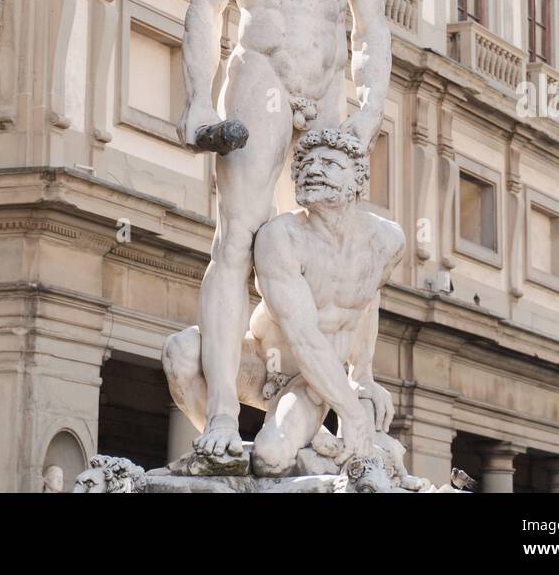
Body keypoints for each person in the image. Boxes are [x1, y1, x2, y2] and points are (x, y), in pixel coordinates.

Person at [177, 0, 391, 463]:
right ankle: (216, 415)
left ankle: (343, 388)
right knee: (235, 239)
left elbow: (373, 31)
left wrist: (370, 110)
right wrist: (198, 100)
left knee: (338, 240)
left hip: (326, 88)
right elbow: (208, 7)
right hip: (262, 76)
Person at [163, 128, 404, 475]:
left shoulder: (388, 240)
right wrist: (351, 412)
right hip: (262, 361)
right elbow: (302, 336)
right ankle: (224, 455)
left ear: (358, 180)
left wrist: (361, 374)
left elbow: (366, 298)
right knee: (180, 350)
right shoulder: (281, 237)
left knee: (272, 457)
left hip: (309, 380)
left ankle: (298, 437)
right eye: (305, 163)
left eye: (330, 163)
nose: (313, 169)